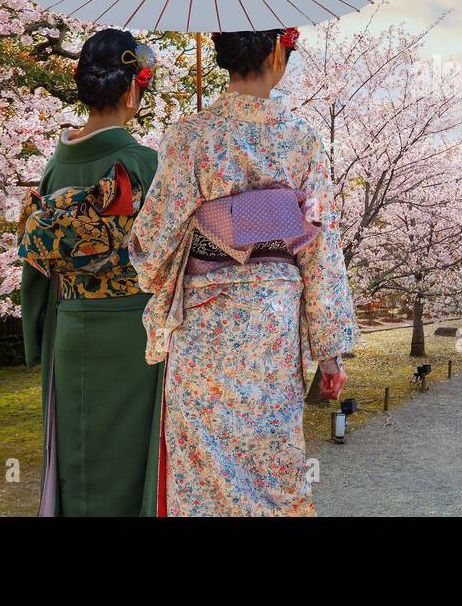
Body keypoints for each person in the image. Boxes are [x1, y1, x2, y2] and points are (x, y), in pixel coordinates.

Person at [131, 27, 358, 517]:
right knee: (272, 460)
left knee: (204, 466)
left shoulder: (190, 134)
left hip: (204, 323)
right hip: (271, 327)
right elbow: (322, 247)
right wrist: (330, 353)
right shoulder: (302, 138)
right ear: (278, 52)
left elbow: (151, 244)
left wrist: (203, 221)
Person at [18, 29, 162, 517]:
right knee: (131, 457)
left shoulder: (56, 164)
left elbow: (38, 259)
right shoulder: (144, 163)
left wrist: (35, 330)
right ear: (130, 91)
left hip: (71, 322)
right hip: (134, 330)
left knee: (75, 453)